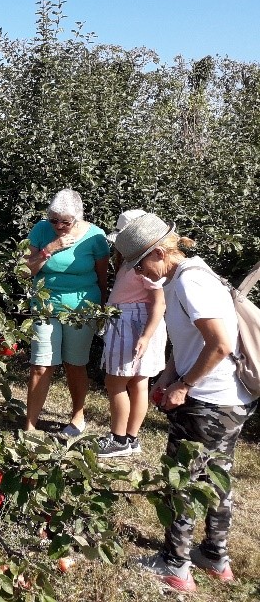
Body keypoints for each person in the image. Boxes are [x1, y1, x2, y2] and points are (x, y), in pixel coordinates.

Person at [116, 213, 257, 592]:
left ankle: (175, 565)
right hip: (226, 399)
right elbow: (194, 340)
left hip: (209, 401)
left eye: (141, 264)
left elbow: (221, 344)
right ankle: (215, 556)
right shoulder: (191, 274)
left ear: (160, 253)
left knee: (183, 481)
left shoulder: (190, 282)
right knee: (217, 477)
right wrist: (169, 376)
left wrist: (185, 386)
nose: (141, 274)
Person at [23, 189, 109, 436]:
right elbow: (25, 270)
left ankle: (77, 418)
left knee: (75, 364)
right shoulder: (41, 231)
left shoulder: (95, 237)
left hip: (81, 309)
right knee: (40, 365)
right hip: (44, 305)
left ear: (78, 218)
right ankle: (30, 425)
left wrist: (101, 308)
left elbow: (102, 277)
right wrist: (49, 248)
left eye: (65, 222)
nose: (59, 226)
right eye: (54, 220)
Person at [97, 210, 167, 457]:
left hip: (131, 322)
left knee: (116, 381)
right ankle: (130, 438)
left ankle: (119, 438)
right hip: (133, 320)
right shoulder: (133, 262)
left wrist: (146, 336)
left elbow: (159, 302)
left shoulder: (143, 265)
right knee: (138, 383)